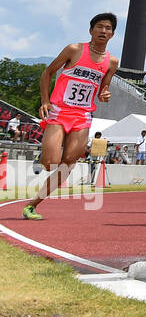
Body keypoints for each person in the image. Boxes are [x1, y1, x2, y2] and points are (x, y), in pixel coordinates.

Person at [20, 13, 119, 221]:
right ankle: (44, 155)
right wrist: (45, 101)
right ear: (91, 30)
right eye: (99, 27)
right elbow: (47, 73)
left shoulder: (111, 61)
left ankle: (32, 205)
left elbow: (104, 89)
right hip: (59, 111)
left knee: (69, 163)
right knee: (51, 164)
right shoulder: (74, 50)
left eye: (108, 28)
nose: (103, 31)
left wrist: (105, 94)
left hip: (82, 115)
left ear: (112, 34)